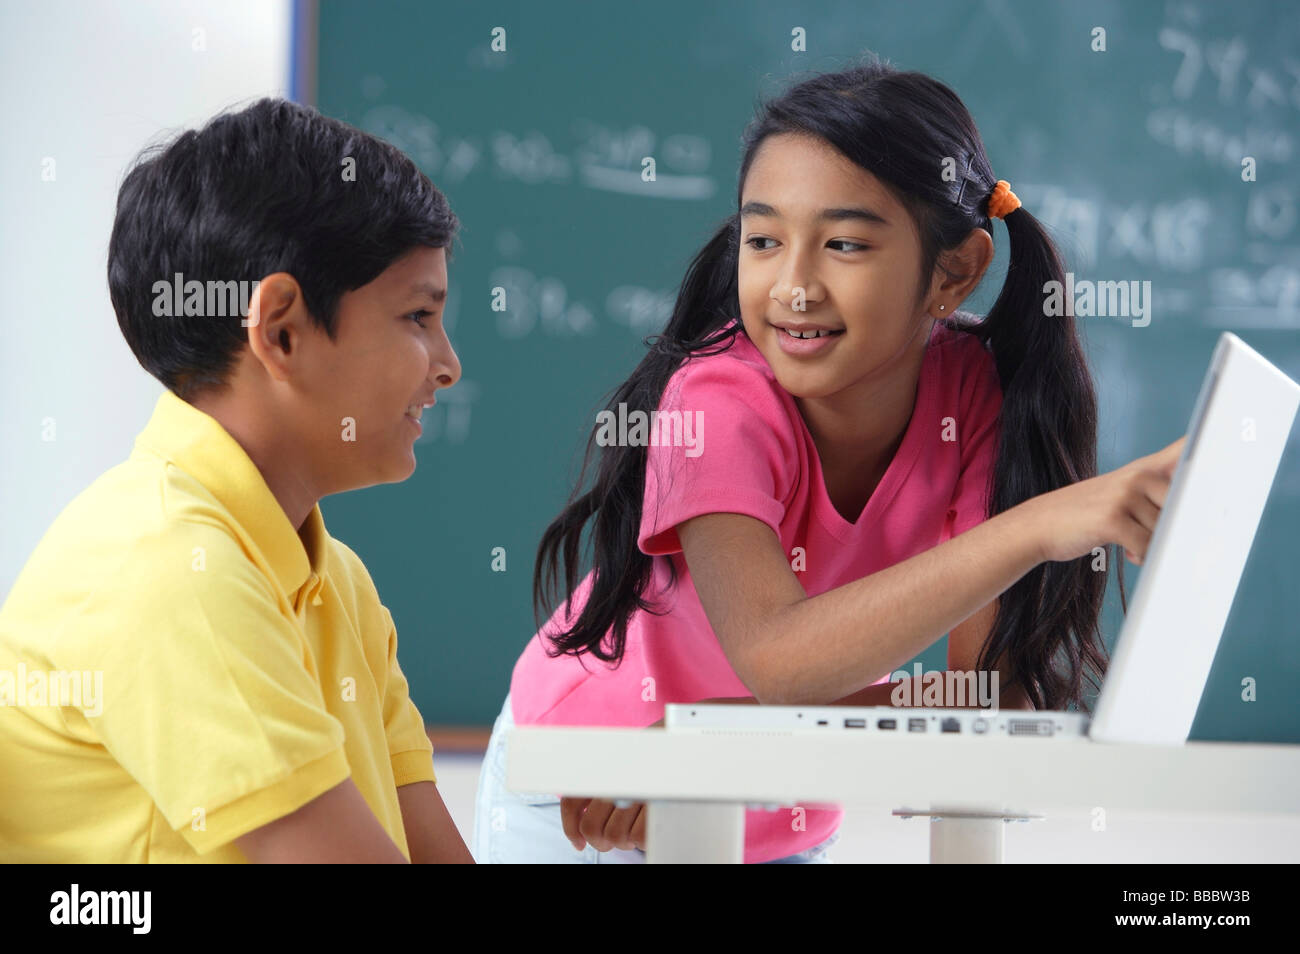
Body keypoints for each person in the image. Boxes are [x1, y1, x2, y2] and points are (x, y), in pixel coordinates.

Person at [473, 55, 1183, 864]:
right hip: (597, 785)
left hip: (772, 794)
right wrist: (1036, 528)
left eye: (843, 243)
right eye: (764, 239)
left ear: (956, 271)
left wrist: (733, 742)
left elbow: (983, 697)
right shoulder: (714, 403)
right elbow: (780, 661)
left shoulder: (977, 398)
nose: (794, 285)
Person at [0, 98, 472, 862]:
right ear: (280, 328)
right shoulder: (166, 566)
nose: (447, 365)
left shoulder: (339, 587)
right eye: (418, 316)